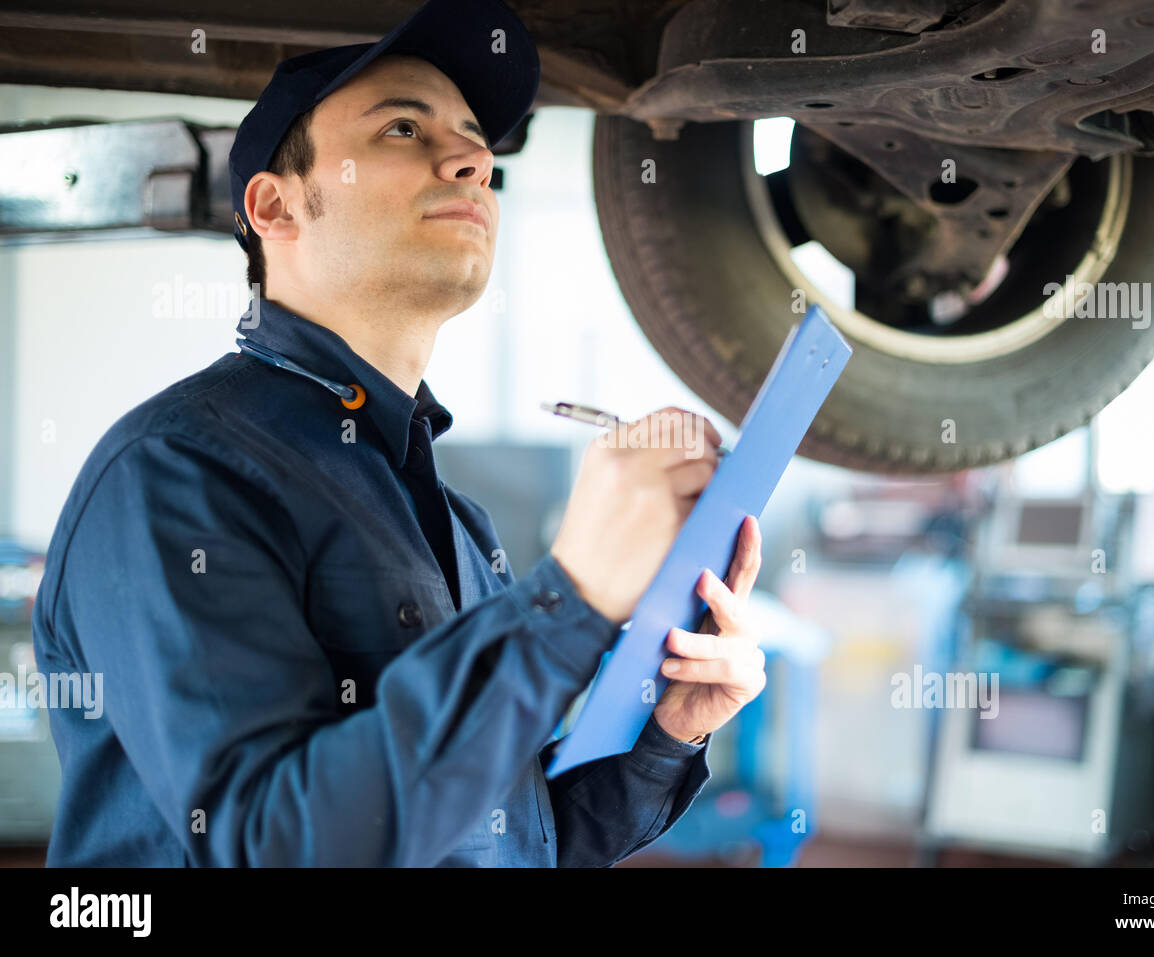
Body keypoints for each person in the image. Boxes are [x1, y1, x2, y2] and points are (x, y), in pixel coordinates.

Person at [31, 0, 766, 866]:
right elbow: (273, 843)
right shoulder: (173, 473)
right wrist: (570, 598)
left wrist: (668, 734)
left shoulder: (456, 523)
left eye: (472, 140)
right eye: (403, 128)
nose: (472, 159)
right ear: (275, 206)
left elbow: (514, 845)